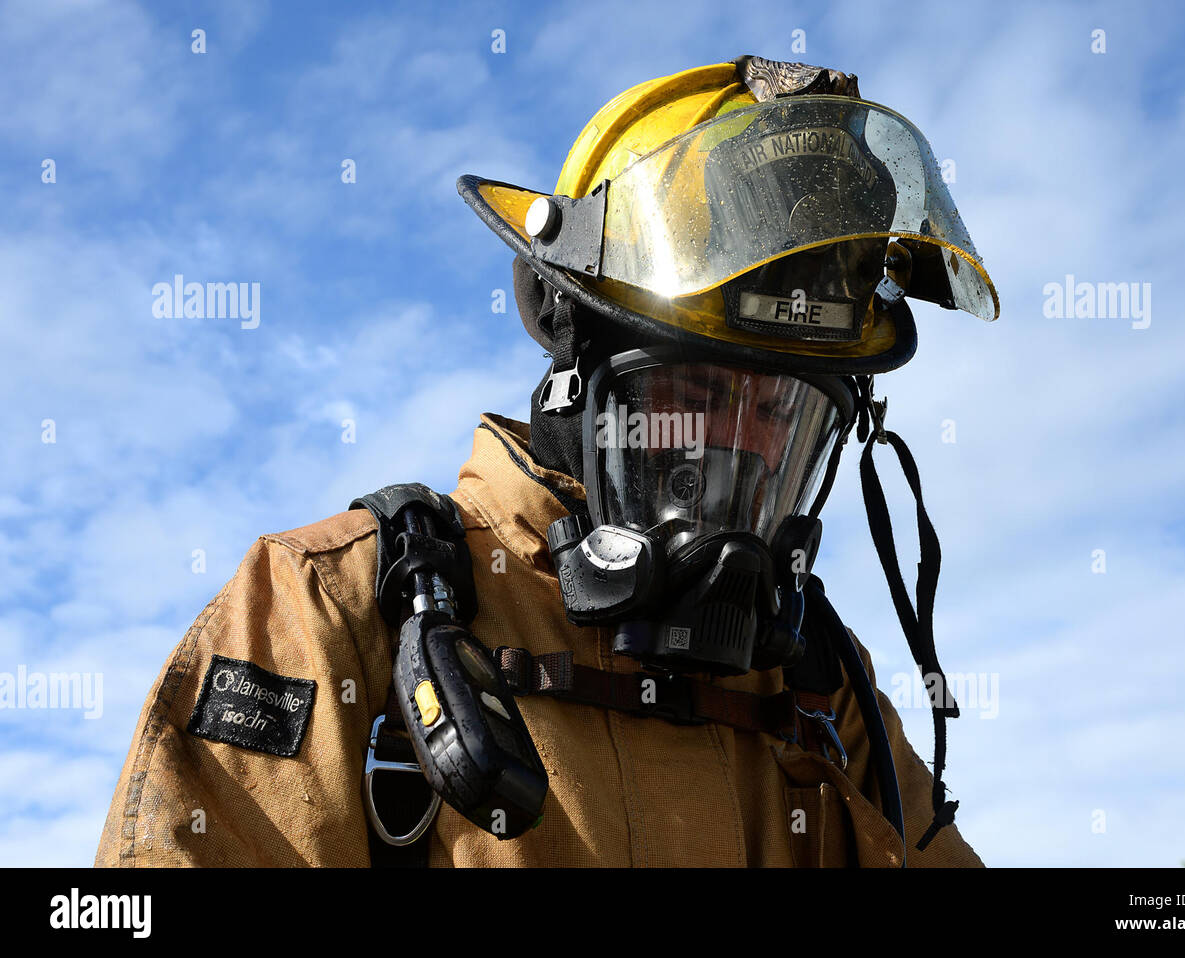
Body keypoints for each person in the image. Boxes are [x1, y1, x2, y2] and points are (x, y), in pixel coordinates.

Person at [95, 56, 998, 868]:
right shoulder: (333, 610)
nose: (746, 443)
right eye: (703, 393)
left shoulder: (823, 691)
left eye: (783, 411)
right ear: (579, 366)